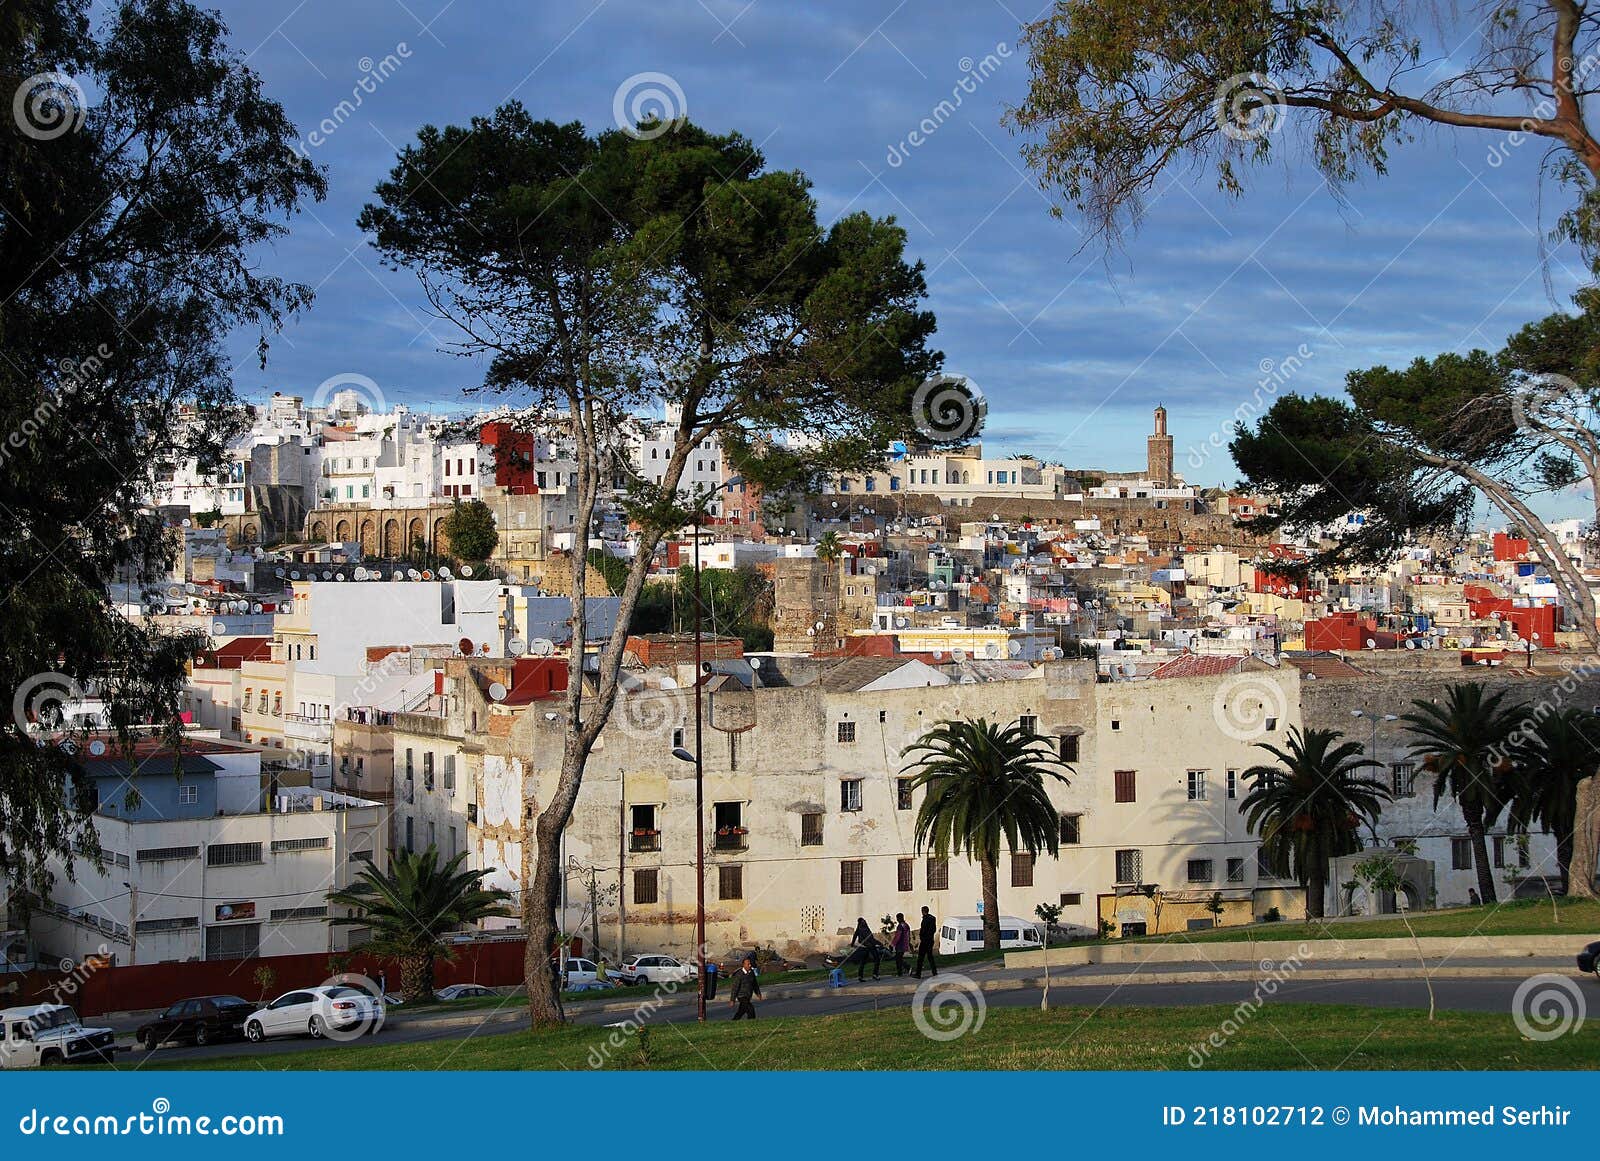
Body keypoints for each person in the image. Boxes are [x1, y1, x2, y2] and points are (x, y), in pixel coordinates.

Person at [729, 955, 761, 1020]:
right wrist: (732, 999)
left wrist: (758, 993)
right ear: (743, 965)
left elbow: (755, 984)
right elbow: (735, 987)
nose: (750, 965)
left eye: (750, 964)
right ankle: (751, 1022)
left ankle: (733, 1021)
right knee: (750, 1009)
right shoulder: (739, 974)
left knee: (741, 1011)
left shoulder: (751, 972)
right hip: (741, 996)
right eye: (748, 964)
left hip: (748, 995)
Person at [850, 917, 882, 981]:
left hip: (864, 946)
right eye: (863, 921)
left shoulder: (859, 928)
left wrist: (852, 943)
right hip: (870, 946)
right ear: (861, 922)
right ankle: (875, 974)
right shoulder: (864, 929)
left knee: (863, 961)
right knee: (877, 959)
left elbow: (855, 935)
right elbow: (870, 939)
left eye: (864, 920)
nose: (865, 922)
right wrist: (879, 943)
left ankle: (860, 976)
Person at [912, 905, 939, 978]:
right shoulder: (932, 918)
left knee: (920, 958)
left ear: (923, 911)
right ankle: (934, 972)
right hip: (930, 940)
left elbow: (923, 930)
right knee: (930, 957)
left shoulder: (925, 919)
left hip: (925, 941)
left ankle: (918, 974)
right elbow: (933, 930)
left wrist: (922, 937)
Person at [891, 913, 912, 977]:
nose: (897, 920)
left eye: (897, 918)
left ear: (900, 918)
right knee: (899, 958)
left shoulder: (900, 926)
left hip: (900, 944)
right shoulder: (906, 925)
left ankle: (904, 970)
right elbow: (908, 935)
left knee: (898, 959)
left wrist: (893, 944)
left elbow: (898, 936)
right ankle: (904, 969)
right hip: (905, 944)